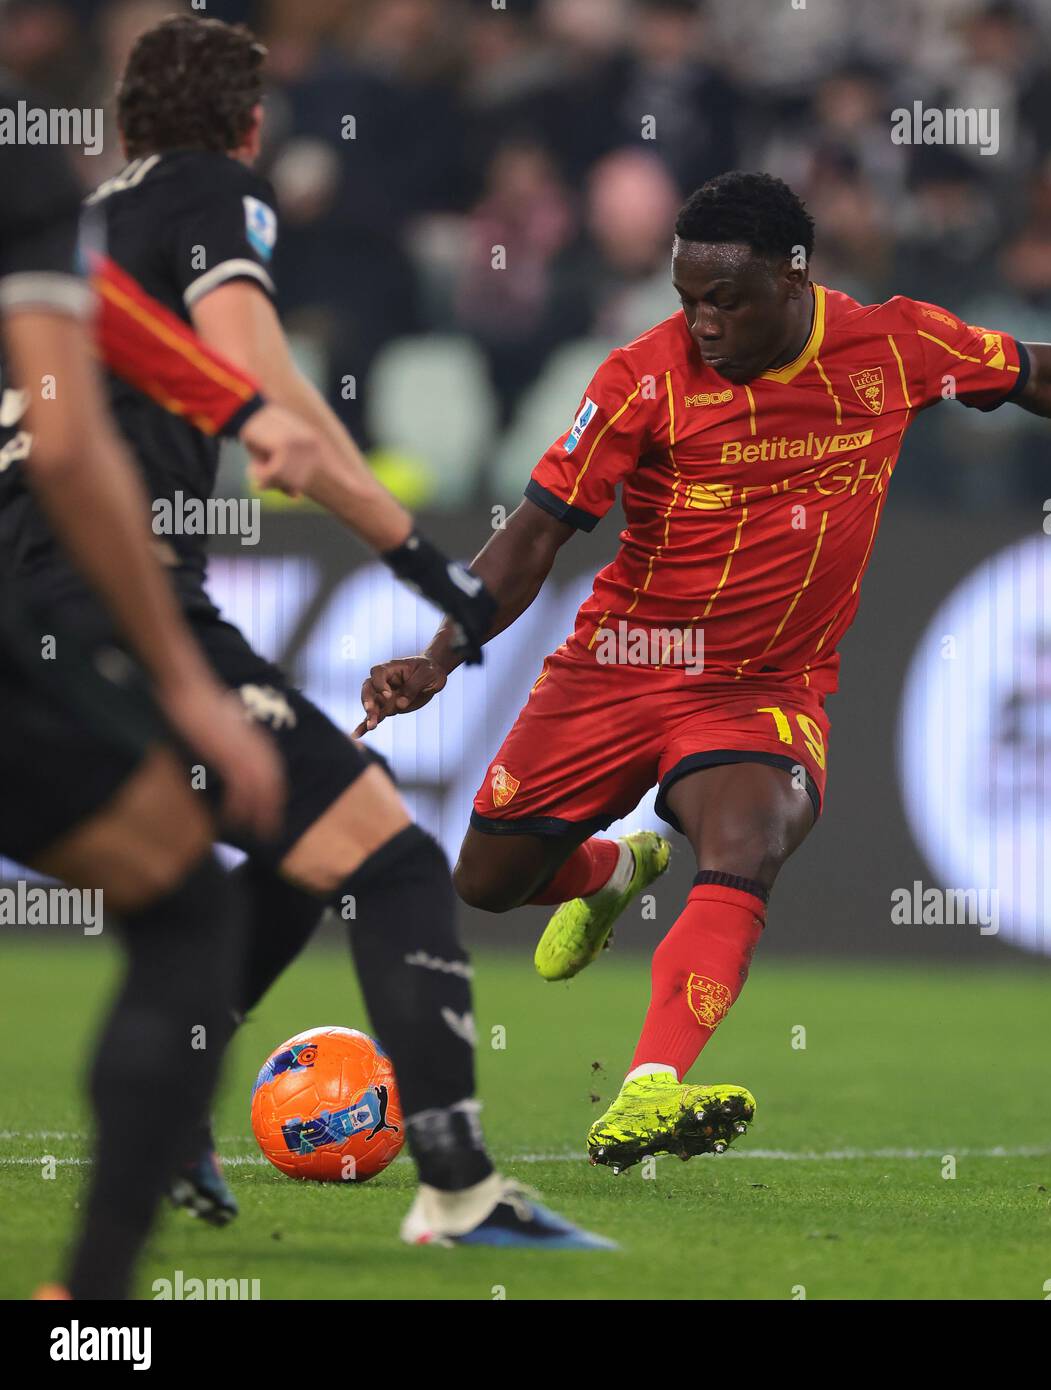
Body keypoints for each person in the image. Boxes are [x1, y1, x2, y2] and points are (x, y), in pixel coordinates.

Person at [358, 170, 1051, 1172]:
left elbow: (1043, 375)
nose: (703, 323)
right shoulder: (640, 376)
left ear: (794, 277)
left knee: (748, 832)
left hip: (764, 684)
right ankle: (617, 867)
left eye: (726, 298)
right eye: (687, 299)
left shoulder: (890, 344)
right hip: (621, 663)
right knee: (491, 881)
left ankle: (645, 1091)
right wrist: (440, 656)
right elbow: (534, 536)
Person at [19, 13, 609, 1250]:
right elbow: (272, 391)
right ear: (249, 126)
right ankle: (456, 1187)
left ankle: (164, 1145)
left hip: (24, 607)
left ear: (122, 121)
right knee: (389, 854)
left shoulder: (74, 218)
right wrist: (415, 555)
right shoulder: (214, 194)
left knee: (257, 861)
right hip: (105, 595)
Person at [0, 78, 286, 1298]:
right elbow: (64, 442)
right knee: (183, 904)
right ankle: (90, 1311)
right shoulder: (22, 169)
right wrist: (184, 676)